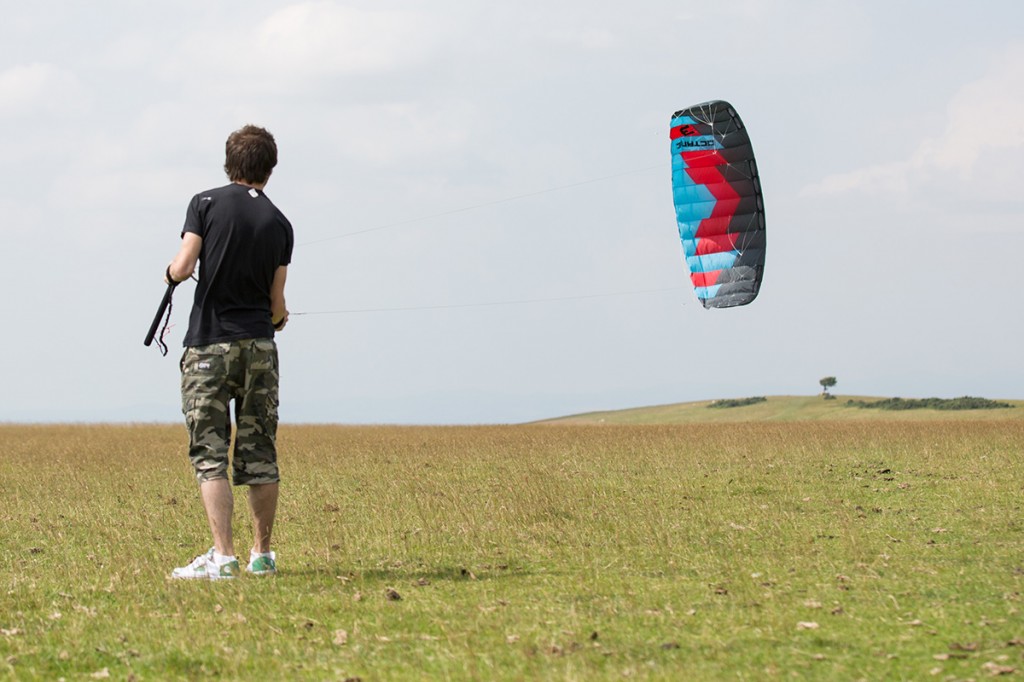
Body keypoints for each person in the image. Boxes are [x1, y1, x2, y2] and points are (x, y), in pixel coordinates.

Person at [166, 125, 294, 580]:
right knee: (260, 452)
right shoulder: (280, 223)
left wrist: (170, 272)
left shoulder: (204, 203)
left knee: (210, 453)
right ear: (269, 169)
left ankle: (223, 557)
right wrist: (278, 319)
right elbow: (277, 307)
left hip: (209, 345)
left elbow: (183, 267)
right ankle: (263, 556)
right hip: (260, 346)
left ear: (228, 163)